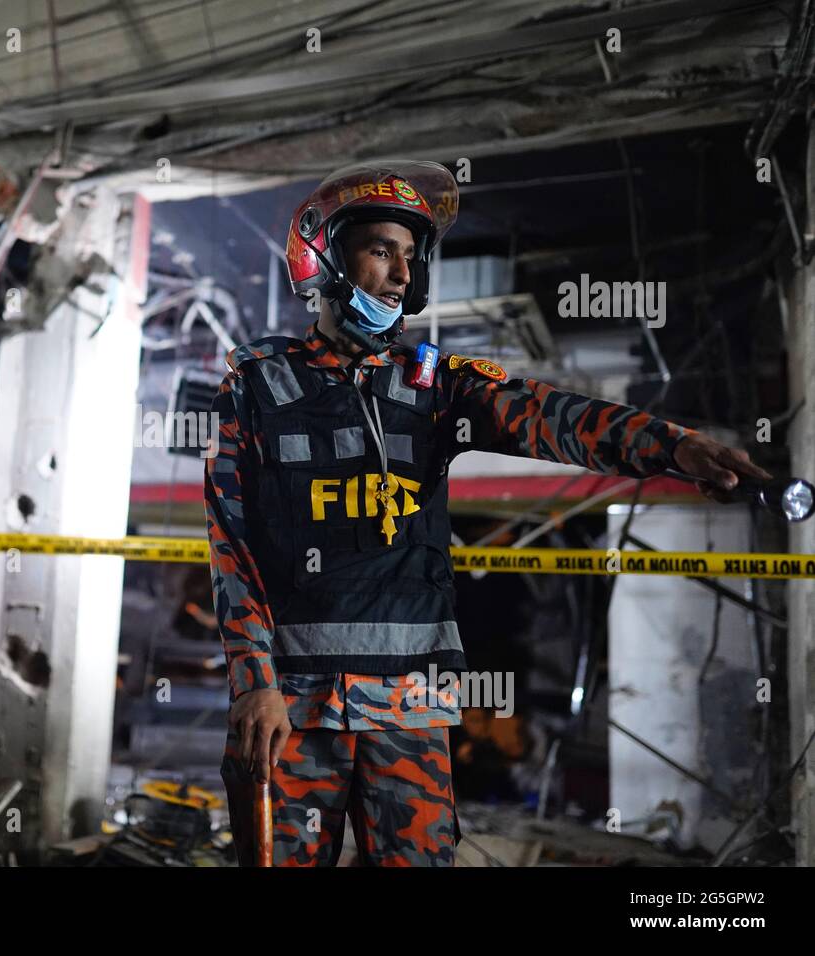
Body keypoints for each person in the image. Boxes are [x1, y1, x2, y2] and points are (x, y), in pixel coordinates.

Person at [205, 161, 771, 867]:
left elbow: (550, 416)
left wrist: (672, 447)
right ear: (325, 256)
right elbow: (233, 546)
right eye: (381, 249)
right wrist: (255, 683)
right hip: (290, 706)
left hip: (408, 707)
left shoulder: (435, 388)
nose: (401, 275)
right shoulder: (256, 390)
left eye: (411, 258)